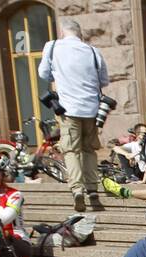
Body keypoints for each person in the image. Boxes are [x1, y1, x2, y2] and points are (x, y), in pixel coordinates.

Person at [37, 18, 110, 213]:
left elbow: (44, 73)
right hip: (92, 110)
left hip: (68, 109)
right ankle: (93, 191)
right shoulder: (94, 51)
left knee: (71, 150)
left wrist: (61, 75)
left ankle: (77, 190)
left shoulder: (52, 47)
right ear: (80, 34)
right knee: (89, 150)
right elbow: (104, 80)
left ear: (61, 32)